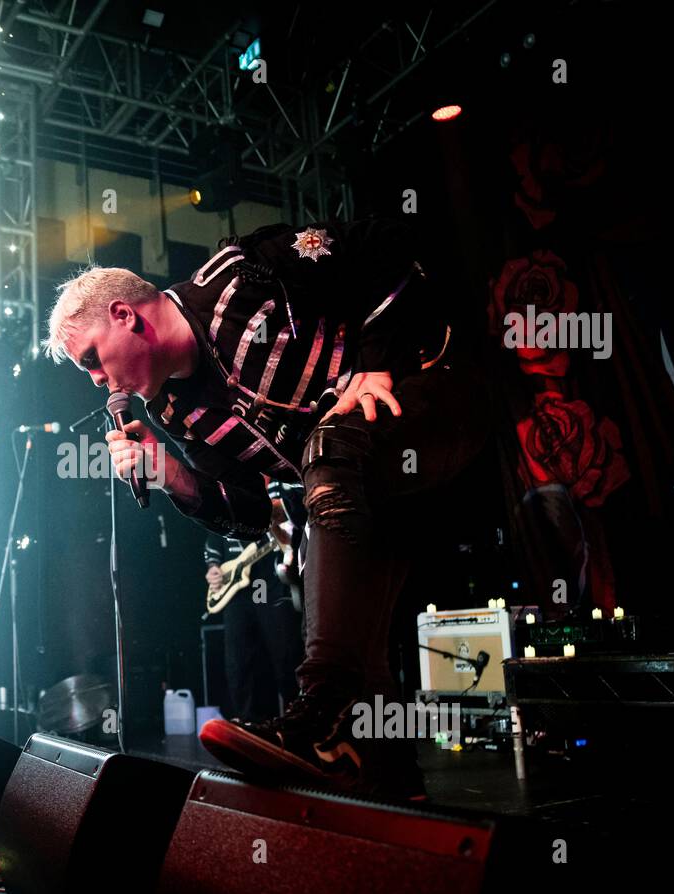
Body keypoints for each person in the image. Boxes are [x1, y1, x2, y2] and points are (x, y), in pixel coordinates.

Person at [45, 217, 488, 799]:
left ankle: (316, 713)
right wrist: (173, 474)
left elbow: (389, 255)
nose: (101, 382)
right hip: (366, 487)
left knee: (327, 453)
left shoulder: (243, 274)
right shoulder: (178, 412)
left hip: (436, 393)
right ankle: (388, 790)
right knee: (355, 622)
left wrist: (378, 359)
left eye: (94, 361)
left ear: (126, 316)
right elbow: (252, 511)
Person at [204, 480, 303, 722]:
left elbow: (298, 522)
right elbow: (214, 534)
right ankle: (248, 723)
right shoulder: (227, 484)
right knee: (238, 661)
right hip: (236, 589)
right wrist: (213, 567)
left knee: (285, 656)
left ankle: (298, 720)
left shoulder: (283, 483)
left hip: (270, 580)